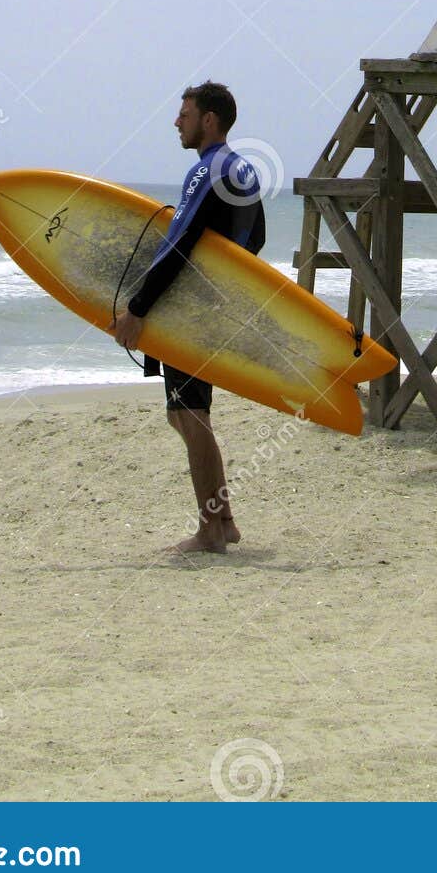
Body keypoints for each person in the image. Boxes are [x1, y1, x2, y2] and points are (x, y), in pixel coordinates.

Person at [112, 81, 266, 554]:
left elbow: (177, 244)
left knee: (189, 416)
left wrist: (137, 310)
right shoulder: (242, 170)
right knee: (186, 417)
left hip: (189, 314)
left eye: (185, 114)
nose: (177, 122)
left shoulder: (207, 170)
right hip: (212, 310)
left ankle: (210, 532)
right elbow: (255, 239)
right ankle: (226, 521)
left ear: (209, 120)